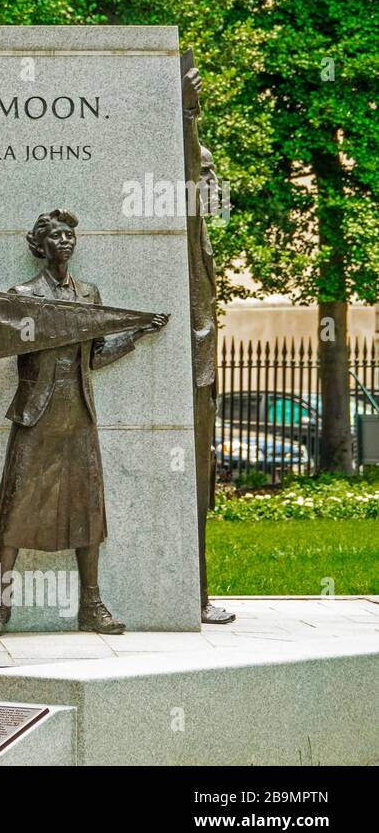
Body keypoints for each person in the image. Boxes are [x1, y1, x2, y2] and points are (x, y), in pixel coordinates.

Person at [0, 209, 168, 638]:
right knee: (15, 509)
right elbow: (13, 346)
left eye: (69, 236)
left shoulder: (89, 294)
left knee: (87, 509)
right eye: (56, 236)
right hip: (37, 414)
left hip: (79, 415)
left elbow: (95, 355)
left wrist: (135, 333)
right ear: (39, 245)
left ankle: (91, 603)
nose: (65, 242)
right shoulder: (24, 294)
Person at [182, 63, 236, 625]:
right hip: (189, 357)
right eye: (205, 172)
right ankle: (188, 593)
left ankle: (195, 592)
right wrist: (188, 116)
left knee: (200, 479)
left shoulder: (200, 236)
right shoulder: (181, 205)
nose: (212, 184)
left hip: (201, 356)